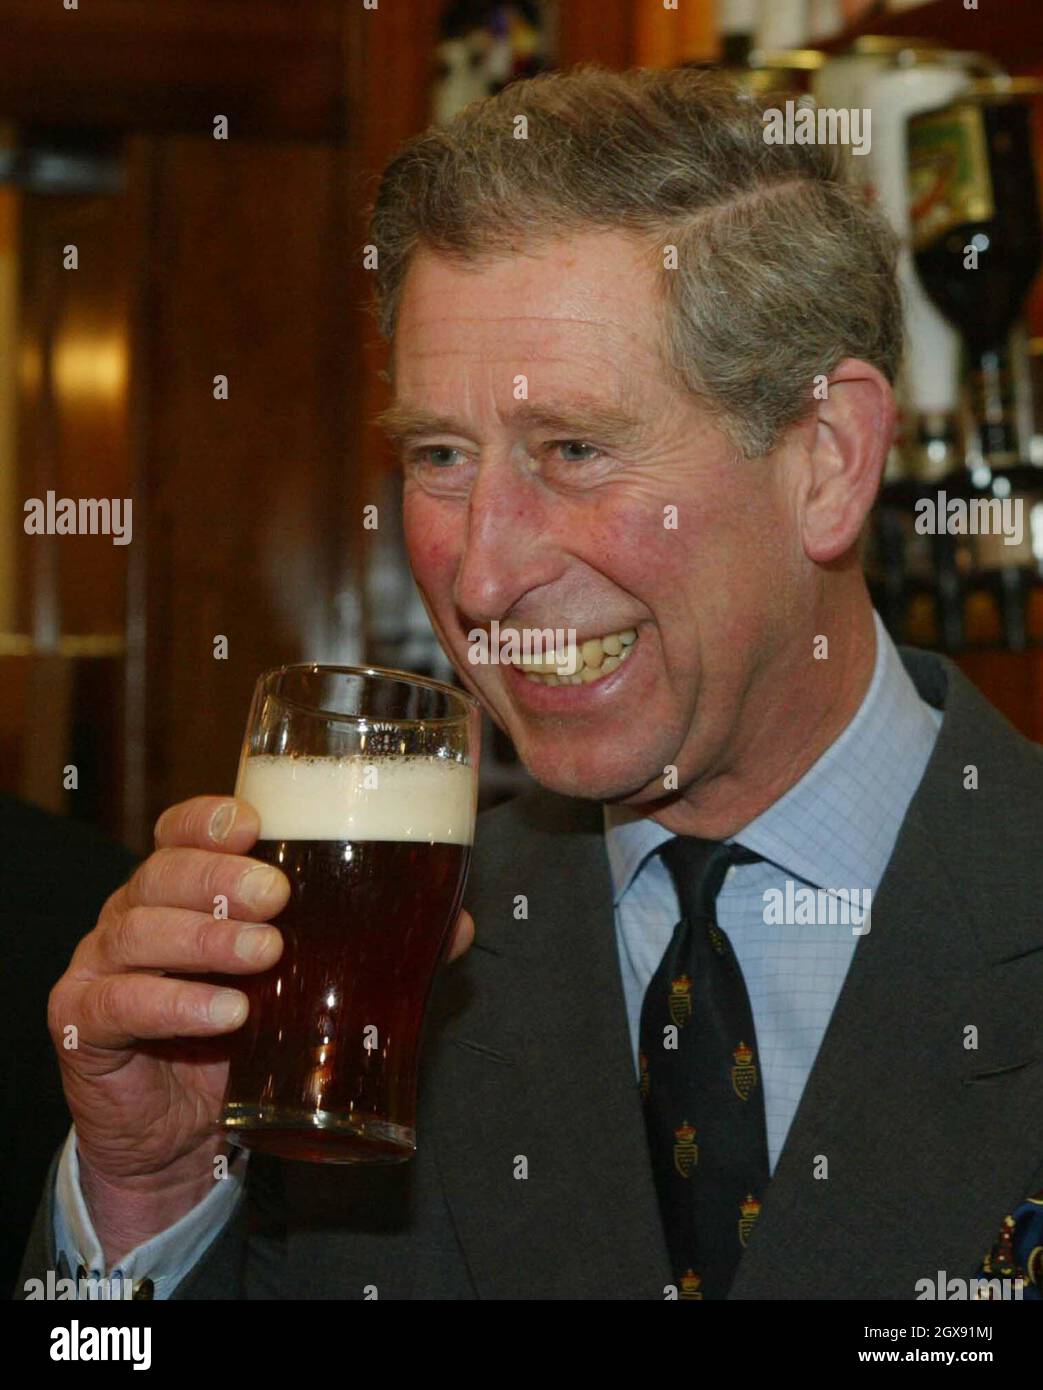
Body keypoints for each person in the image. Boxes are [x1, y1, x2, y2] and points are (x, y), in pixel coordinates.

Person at [18, 67, 1043, 1301]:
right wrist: (143, 1196)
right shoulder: (363, 978)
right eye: (440, 455)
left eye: (573, 449)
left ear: (824, 461)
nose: (484, 572)